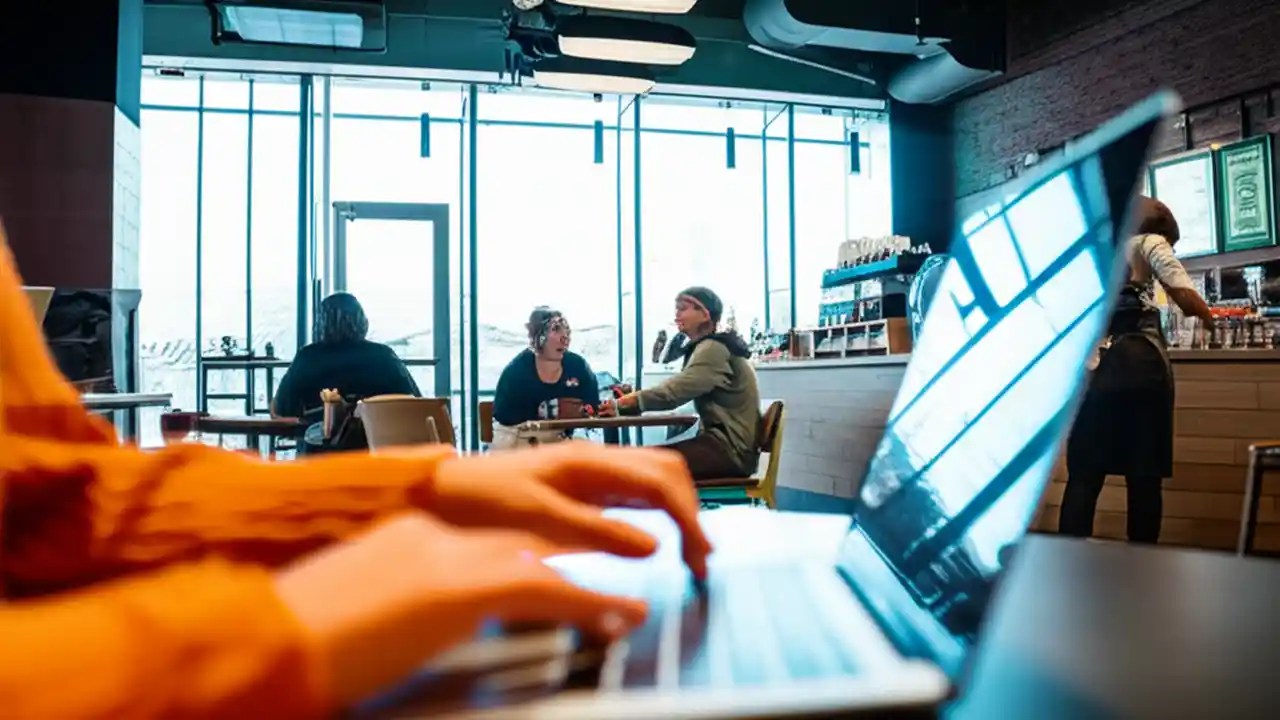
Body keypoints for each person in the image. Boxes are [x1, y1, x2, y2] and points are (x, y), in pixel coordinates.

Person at [0, 229, 713, 719]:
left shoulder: (308, 360)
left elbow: (52, 497)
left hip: (325, 468)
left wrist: (401, 495)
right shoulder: (385, 358)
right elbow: (417, 401)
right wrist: (272, 628)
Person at [1060, 196, 1215, 544]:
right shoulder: (1150, 242)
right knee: (1144, 477)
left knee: (1084, 475)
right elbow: (1185, 296)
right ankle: (1142, 559)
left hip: (1096, 371)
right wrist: (1209, 319)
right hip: (1143, 366)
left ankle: (1067, 556)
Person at [602, 287, 761, 481]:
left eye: (683, 308)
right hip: (730, 449)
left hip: (728, 453)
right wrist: (630, 402)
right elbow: (678, 390)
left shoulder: (714, 349)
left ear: (705, 314)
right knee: (637, 462)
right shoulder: (718, 346)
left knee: (633, 465)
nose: (677, 315)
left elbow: (673, 393)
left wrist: (624, 404)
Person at [272, 293, 420, 421]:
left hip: (317, 441)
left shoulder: (307, 357)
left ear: (320, 323)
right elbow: (415, 403)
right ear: (362, 321)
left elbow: (281, 410)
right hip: (375, 441)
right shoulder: (383, 356)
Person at [491, 307, 600, 449]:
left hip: (562, 443)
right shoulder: (516, 373)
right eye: (556, 329)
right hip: (519, 443)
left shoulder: (578, 367)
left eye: (566, 330)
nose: (564, 337)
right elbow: (505, 419)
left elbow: (594, 407)